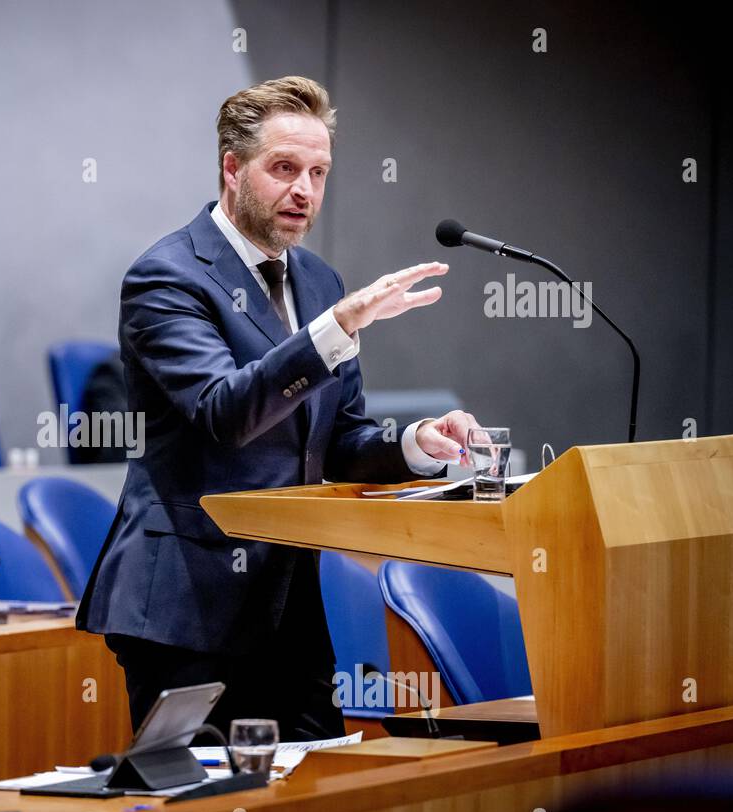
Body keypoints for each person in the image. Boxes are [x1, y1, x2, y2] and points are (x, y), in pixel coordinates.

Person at [77, 76, 482, 740]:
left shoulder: (320, 281)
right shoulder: (168, 277)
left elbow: (340, 439)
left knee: (312, 809)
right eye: (285, 168)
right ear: (232, 169)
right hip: (188, 605)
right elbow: (222, 412)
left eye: (318, 172)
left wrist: (415, 444)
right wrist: (335, 329)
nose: (305, 190)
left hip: (289, 605)